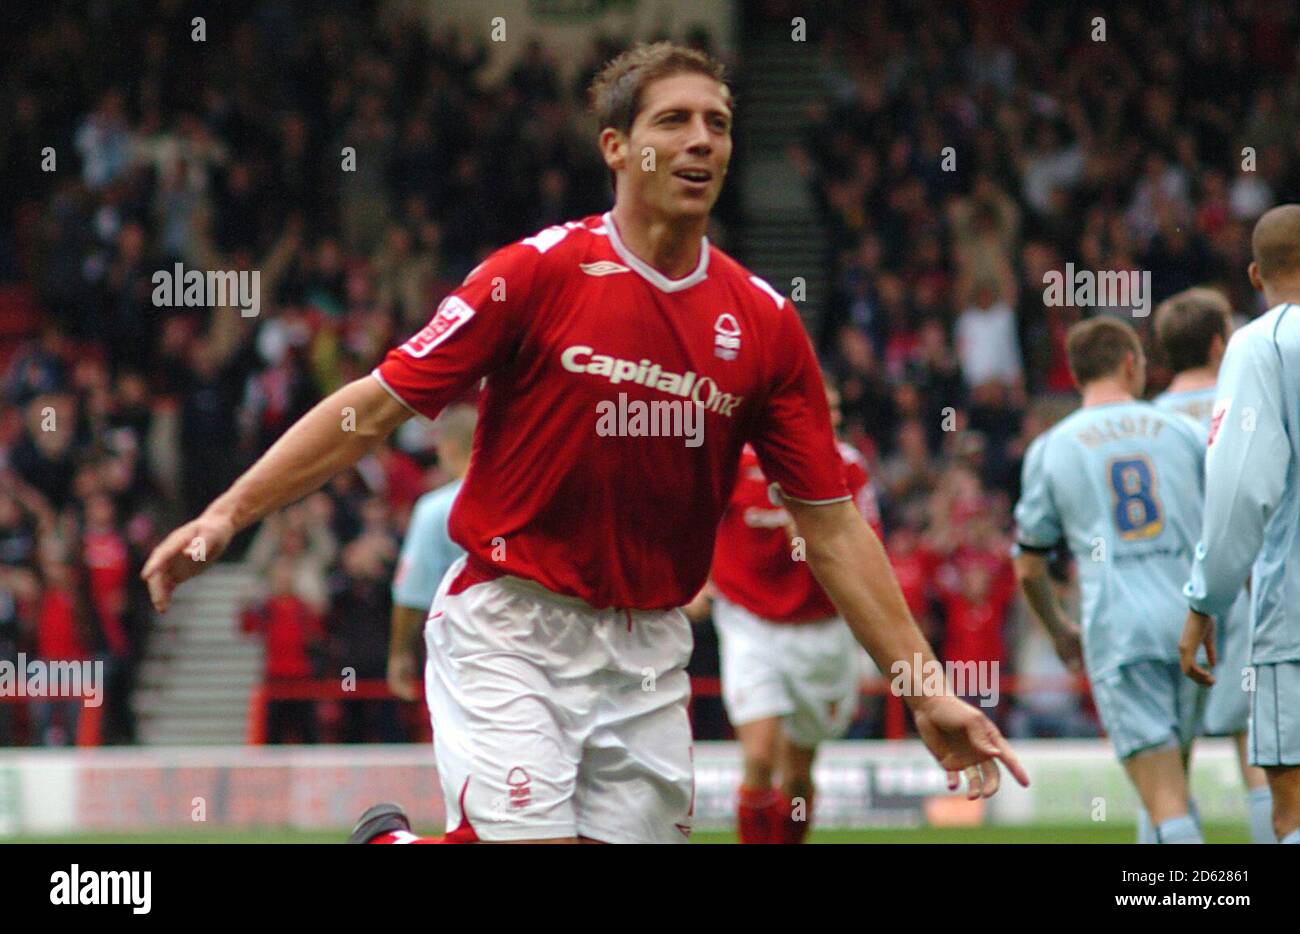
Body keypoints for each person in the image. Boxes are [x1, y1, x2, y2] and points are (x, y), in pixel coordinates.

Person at [143, 42, 1025, 846]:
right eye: (673, 120)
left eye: (718, 124)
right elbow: (371, 411)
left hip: (648, 651)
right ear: (615, 147)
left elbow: (832, 528)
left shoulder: (764, 322)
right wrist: (227, 513)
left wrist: (926, 687)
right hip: (511, 622)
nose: (701, 142)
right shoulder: (535, 274)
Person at [1014, 316, 1208, 843]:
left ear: (1077, 375)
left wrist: (1058, 629)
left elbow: (1030, 564)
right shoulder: (1183, 432)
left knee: (1164, 797)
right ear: (1130, 363)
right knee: (1173, 785)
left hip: (1120, 629)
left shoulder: (1053, 448)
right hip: (1192, 623)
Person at [693, 380, 878, 844]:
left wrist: (810, 530)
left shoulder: (848, 467)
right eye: (821, 406)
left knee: (798, 774)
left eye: (835, 408)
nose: (829, 417)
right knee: (757, 757)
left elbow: (864, 548)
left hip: (821, 627)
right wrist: (695, 579)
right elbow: (692, 517)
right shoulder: (737, 461)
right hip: (750, 622)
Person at [1182, 204, 1300, 846]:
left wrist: (1206, 599)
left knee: (1292, 807)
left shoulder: (1264, 343)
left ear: (1256, 275)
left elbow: (1239, 492)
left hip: (1295, 617)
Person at [1153, 287, 1272, 843]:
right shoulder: (1248, 407)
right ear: (1222, 342)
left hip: (1162, 600)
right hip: (1246, 595)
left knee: (1163, 773)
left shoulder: (1144, 424)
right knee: (1259, 753)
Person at [387, 405, 476, 702]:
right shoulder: (521, 501)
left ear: (448, 447)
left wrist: (400, 654)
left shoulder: (436, 509)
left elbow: (412, 592)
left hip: (462, 652)